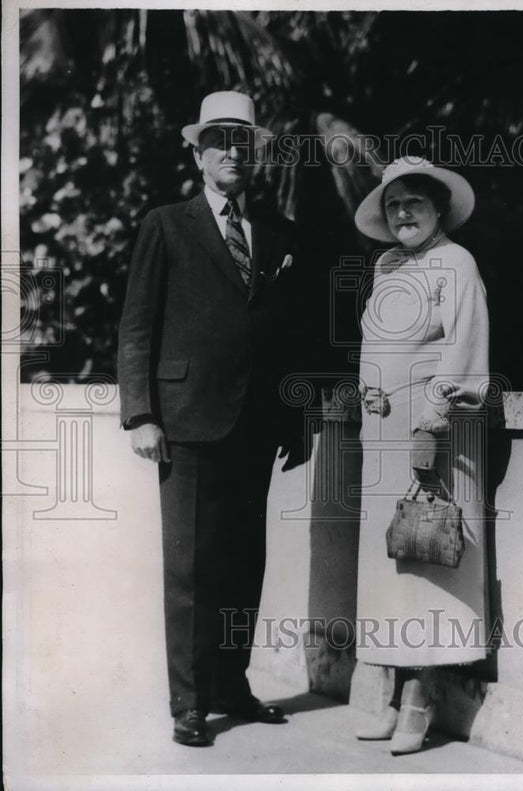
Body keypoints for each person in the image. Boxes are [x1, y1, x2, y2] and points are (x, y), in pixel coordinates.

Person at [118, 91, 309, 747]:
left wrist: (297, 417)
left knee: (243, 561)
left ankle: (232, 683)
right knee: (191, 566)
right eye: (219, 140)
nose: (233, 151)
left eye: (244, 140)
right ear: (198, 153)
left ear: (255, 153)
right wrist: (141, 413)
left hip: (256, 424)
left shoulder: (279, 232)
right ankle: (191, 701)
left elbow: (290, 336)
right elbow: (137, 325)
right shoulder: (166, 224)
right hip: (186, 420)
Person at [352, 157, 489, 754]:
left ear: (437, 208)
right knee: (390, 564)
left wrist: (435, 418)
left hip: (431, 427)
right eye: (393, 204)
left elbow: (465, 344)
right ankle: (388, 684)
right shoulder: (387, 265)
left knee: (427, 555)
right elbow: (373, 344)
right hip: (382, 431)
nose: (402, 212)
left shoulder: (456, 263)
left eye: (414, 202)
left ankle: (421, 697)